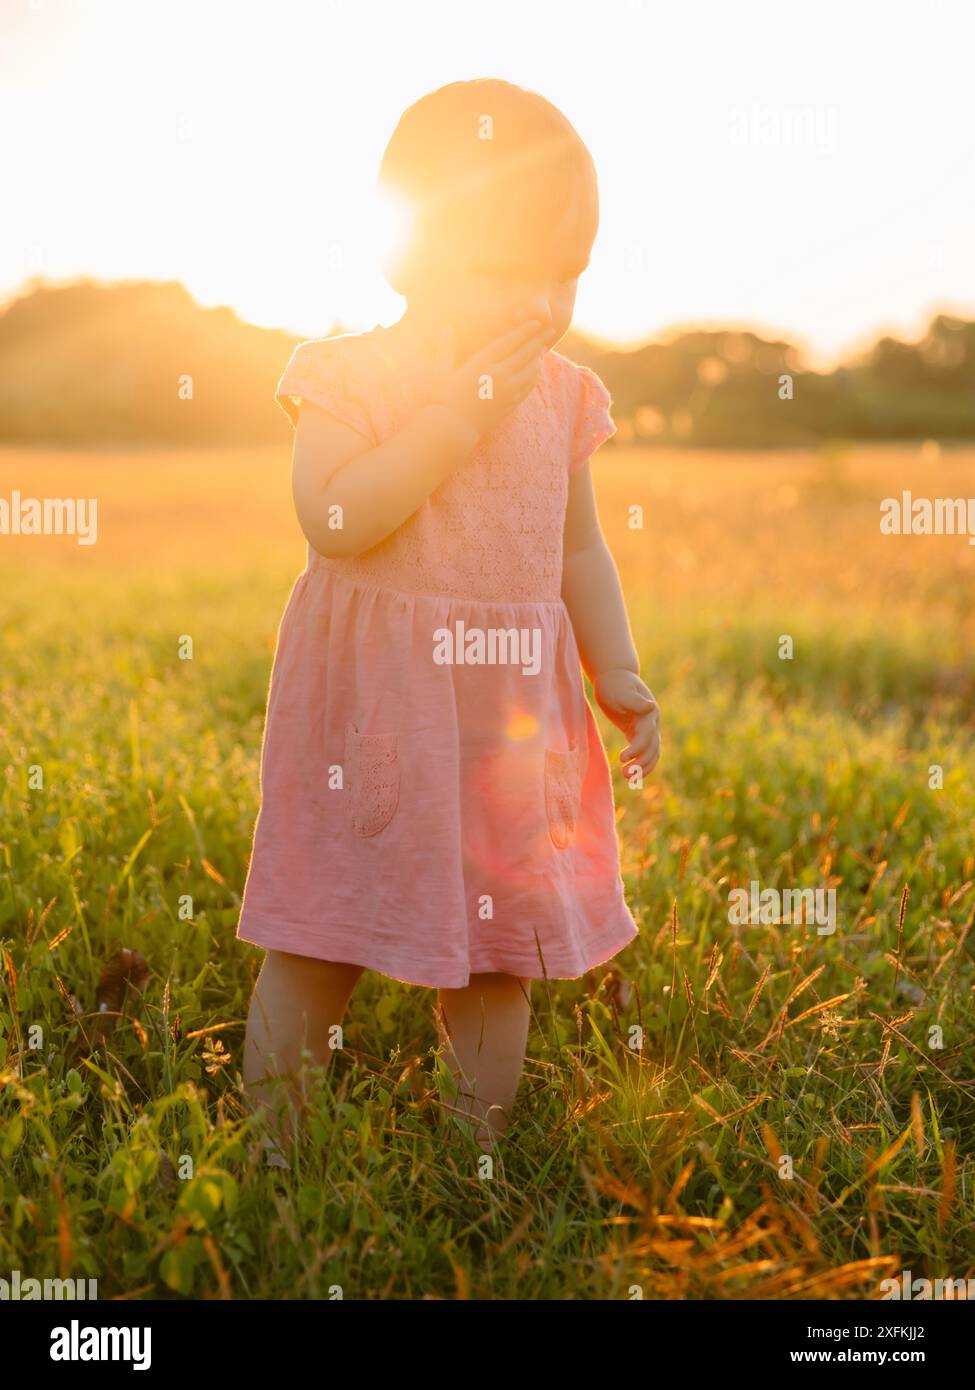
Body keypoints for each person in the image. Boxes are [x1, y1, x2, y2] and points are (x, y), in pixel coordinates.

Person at [237, 78, 661, 1156]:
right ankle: (281, 1146)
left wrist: (616, 670)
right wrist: (456, 414)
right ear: (411, 254)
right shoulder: (349, 372)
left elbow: (577, 547)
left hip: (506, 711)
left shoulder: (566, 397)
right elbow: (336, 517)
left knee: (498, 949)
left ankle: (476, 1155)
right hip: (375, 706)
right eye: (506, 274)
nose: (538, 305)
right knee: (318, 931)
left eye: (562, 278)